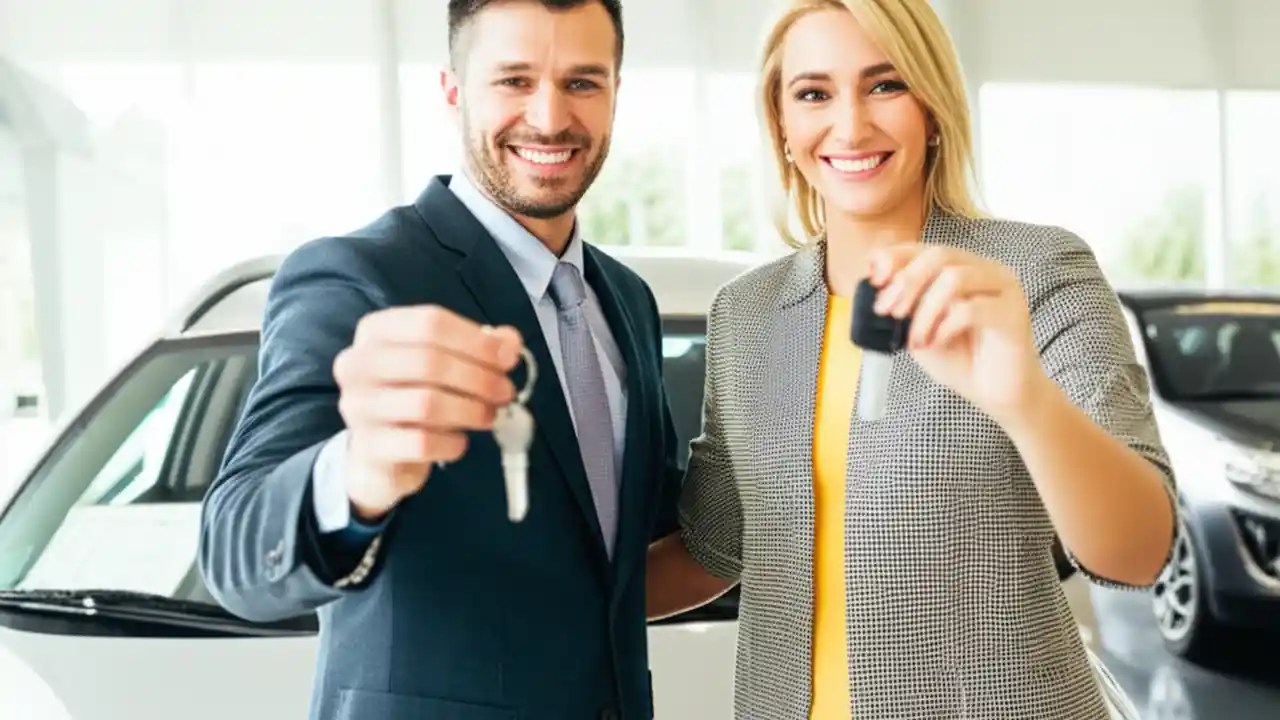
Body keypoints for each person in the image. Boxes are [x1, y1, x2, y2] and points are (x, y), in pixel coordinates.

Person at [645, 1, 1178, 718]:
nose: (850, 125)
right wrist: (530, 592)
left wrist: (1024, 399)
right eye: (814, 93)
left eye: (885, 84)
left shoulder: (1037, 272)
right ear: (782, 125)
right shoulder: (745, 313)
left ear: (932, 107)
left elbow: (1139, 554)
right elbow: (715, 547)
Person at [199, 1, 683, 718]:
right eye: (514, 80)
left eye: (582, 82)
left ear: (616, 91)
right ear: (453, 90)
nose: (550, 118)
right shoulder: (360, 277)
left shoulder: (628, 300)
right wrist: (361, 470)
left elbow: (638, 545)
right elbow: (235, 549)